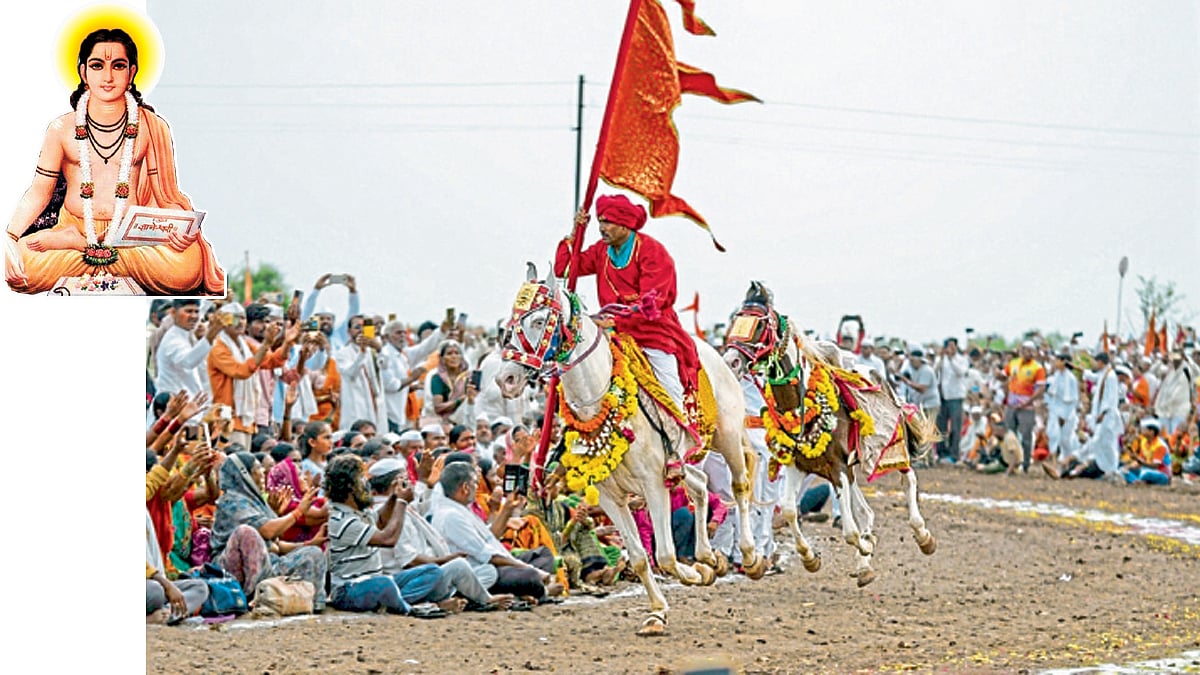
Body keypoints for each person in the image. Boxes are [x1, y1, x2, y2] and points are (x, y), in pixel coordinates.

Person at [5, 28, 223, 294]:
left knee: (186, 269)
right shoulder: (61, 128)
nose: (108, 77)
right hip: (76, 225)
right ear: (83, 73)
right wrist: (10, 236)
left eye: (118, 66)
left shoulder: (152, 127)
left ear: (132, 73)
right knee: (21, 265)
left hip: (130, 236)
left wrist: (180, 230)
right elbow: (39, 191)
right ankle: (76, 242)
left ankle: (84, 252)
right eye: (97, 66)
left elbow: (166, 195)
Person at [553, 194, 701, 450]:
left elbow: (652, 302)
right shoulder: (601, 251)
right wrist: (576, 232)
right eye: (600, 221)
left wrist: (615, 320)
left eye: (608, 222)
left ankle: (678, 445)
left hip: (653, 332)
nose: (602, 228)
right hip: (612, 332)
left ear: (625, 225)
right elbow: (565, 269)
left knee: (669, 388)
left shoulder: (653, 251)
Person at [367, 458, 512, 611]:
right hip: (414, 578)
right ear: (397, 484)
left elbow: (419, 506)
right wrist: (445, 560)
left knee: (486, 571)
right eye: (406, 479)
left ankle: (463, 598)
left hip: (426, 572)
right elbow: (410, 561)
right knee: (459, 566)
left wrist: (426, 482)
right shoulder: (392, 512)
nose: (410, 483)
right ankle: (480, 600)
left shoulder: (395, 506)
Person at [324, 455, 449, 616]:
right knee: (384, 584)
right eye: (362, 479)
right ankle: (409, 608)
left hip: (373, 581)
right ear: (350, 486)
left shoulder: (359, 511)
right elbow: (388, 539)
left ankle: (395, 602)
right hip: (349, 589)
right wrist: (401, 502)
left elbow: (381, 520)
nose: (367, 484)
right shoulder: (342, 520)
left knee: (432, 571)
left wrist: (395, 496)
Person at [210, 452, 328, 611]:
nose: (263, 472)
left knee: (313, 553)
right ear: (245, 474)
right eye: (257, 468)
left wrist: (309, 544)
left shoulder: (257, 502)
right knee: (246, 533)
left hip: (266, 566)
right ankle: (256, 597)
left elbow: (276, 546)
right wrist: (298, 512)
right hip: (234, 571)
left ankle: (310, 602)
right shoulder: (231, 502)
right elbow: (268, 531)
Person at [431, 462, 562, 603]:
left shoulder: (461, 508)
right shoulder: (451, 515)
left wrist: (508, 508)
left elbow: (489, 537)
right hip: (484, 571)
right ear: (465, 488)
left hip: (496, 563)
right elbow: (487, 555)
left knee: (543, 554)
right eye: (475, 483)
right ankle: (541, 592)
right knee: (530, 575)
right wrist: (531, 569)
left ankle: (527, 592)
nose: (477, 487)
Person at [155, 299, 222, 396]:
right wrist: (211, 334)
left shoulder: (186, 329)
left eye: (196, 311)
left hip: (192, 400)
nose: (194, 316)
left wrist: (211, 298)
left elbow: (198, 314)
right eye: (189, 311)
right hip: (174, 401)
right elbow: (187, 362)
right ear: (173, 312)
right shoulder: (172, 340)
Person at [335, 315, 387, 431]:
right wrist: (362, 354)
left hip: (375, 404)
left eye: (365, 327)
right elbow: (351, 373)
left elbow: (385, 366)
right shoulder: (343, 353)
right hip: (355, 405)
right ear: (349, 332)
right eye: (357, 327)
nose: (361, 331)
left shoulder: (372, 351)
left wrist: (379, 349)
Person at [1003, 341, 1047, 473]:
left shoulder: (1037, 368)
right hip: (1012, 405)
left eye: (1028, 350)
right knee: (1010, 435)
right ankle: (1012, 463)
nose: (1025, 352)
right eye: (1023, 350)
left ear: (1033, 352)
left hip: (1026, 407)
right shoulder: (1013, 363)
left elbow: (1041, 388)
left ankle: (1025, 464)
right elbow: (1004, 376)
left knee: (1026, 436)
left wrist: (1029, 401)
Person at [934, 338, 968, 463]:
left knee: (955, 427)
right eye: (948, 346)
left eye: (953, 346)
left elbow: (960, 372)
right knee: (940, 426)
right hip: (942, 396)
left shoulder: (961, 359)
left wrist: (950, 359)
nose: (950, 349)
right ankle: (941, 453)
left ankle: (954, 453)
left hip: (956, 397)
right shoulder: (941, 359)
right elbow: (934, 372)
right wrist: (941, 358)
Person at [1044, 349, 1080, 465]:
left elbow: (1074, 399)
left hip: (1067, 412)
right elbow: (1051, 394)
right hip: (1055, 409)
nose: (1055, 363)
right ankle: (1053, 461)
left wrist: (1065, 416)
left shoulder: (1071, 379)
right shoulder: (1055, 377)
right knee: (1053, 434)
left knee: (1066, 439)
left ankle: (1069, 460)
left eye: (1058, 360)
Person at [1120, 418, 1171, 485]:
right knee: (1123, 470)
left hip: (1161, 473)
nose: (1142, 431)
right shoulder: (1144, 442)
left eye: (1145, 429)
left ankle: (1136, 480)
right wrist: (1129, 466)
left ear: (1152, 432)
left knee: (1145, 473)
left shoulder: (1160, 445)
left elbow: (1155, 466)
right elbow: (1141, 461)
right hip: (1146, 469)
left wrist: (1138, 460)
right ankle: (1136, 481)